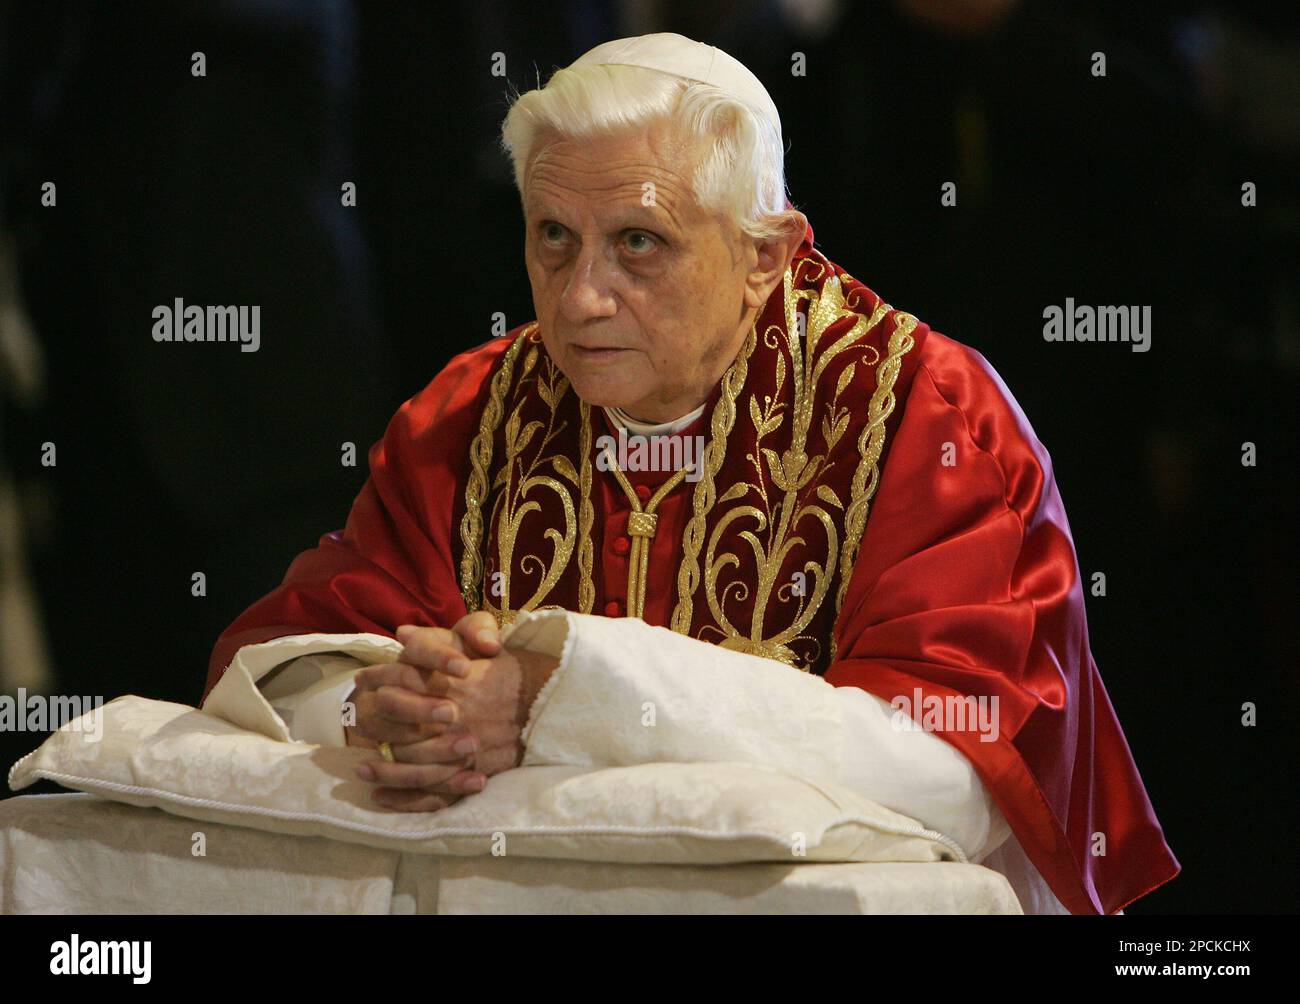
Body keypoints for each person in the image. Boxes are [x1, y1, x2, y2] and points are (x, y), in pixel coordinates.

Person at [202, 33, 1178, 915]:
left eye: (638, 242)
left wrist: (565, 695)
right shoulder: (474, 413)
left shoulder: (923, 412)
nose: (581, 297)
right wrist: (380, 705)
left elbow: (947, 770)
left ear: (765, 255)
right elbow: (289, 656)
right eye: (553, 236)